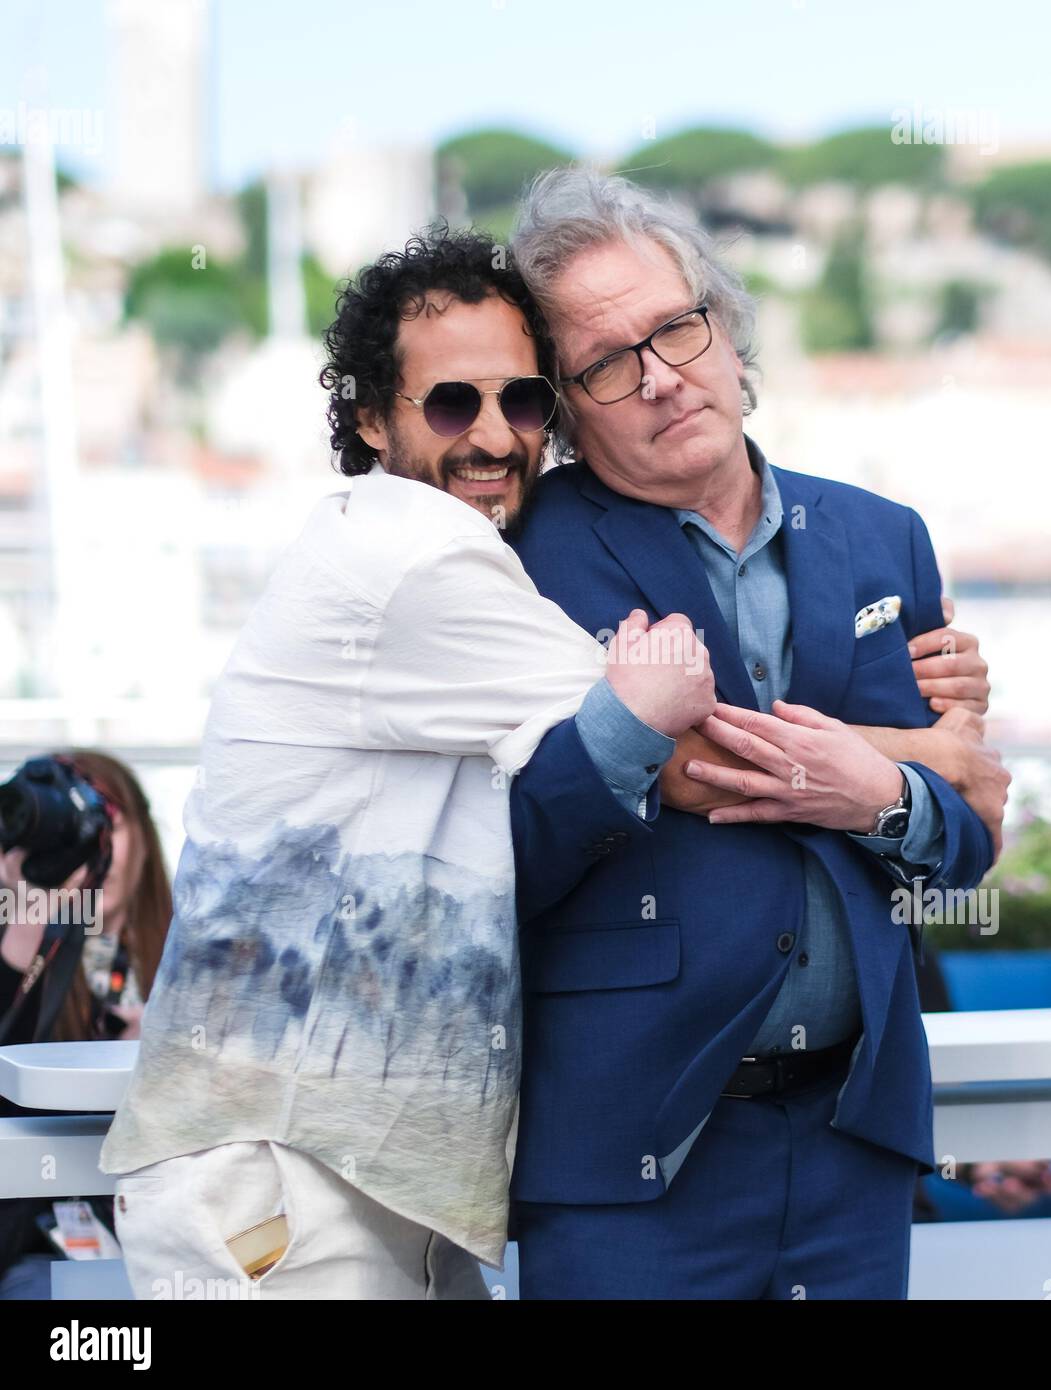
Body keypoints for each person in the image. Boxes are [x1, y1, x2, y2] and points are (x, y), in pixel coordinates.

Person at [98, 226, 714, 1300]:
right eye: (450, 403)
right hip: (285, 1185)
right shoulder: (414, 556)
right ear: (373, 418)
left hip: (350, 1181)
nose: (492, 436)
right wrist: (928, 760)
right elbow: (687, 748)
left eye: (523, 403)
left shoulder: (397, 543)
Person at [502, 168, 1011, 1298]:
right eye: (604, 362)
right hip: (630, 1159)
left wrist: (880, 795)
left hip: (852, 1139)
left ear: (725, 330)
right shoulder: (523, 556)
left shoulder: (886, 538)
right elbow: (501, 845)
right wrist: (903, 755)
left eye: (676, 330)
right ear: (568, 405)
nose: (658, 378)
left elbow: (971, 832)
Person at [0, 750, 171, 1299]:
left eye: (101, 824)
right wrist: (20, 948)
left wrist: (172, 1049)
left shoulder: (199, 958)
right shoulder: (19, 948)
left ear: (141, 831)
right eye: (63, 834)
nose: (83, 850)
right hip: (44, 1247)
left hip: (180, 1232)